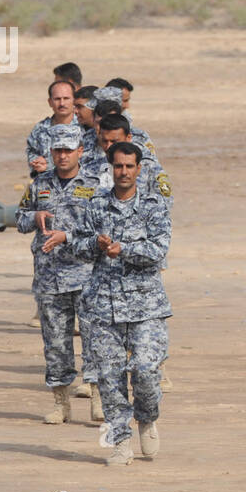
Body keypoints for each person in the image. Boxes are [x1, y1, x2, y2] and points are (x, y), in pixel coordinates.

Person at [68, 142, 173, 466]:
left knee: (144, 370)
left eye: (129, 166)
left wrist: (123, 250)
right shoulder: (96, 205)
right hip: (103, 305)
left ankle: (147, 417)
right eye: (118, 166)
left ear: (139, 169)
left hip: (146, 306)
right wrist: (94, 245)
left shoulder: (154, 206)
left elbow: (158, 251)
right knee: (109, 378)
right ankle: (121, 443)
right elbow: (77, 246)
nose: (124, 172)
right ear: (111, 169)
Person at [16, 124, 105, 424]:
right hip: (50, 277)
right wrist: (34, 216)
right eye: (58, 151)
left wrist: (69, 236)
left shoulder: (95, 184)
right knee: (55, 343)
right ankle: (60, 403)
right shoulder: (40, 183)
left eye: (68, 150)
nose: (63, 156)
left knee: (94, 339)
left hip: (86, 275)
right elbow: (19, 218)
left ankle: (97, 397)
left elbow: (104, 228)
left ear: (81, 151)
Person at [26, 80, 79, 179]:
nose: (62, 103)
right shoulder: (40, 129)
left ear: (74, 100)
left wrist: (49, 166)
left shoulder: (84, 128)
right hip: (47, 186)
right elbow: (31, 151)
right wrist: (37, 162)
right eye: (57, 99)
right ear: (50, 102)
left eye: (66, 98)